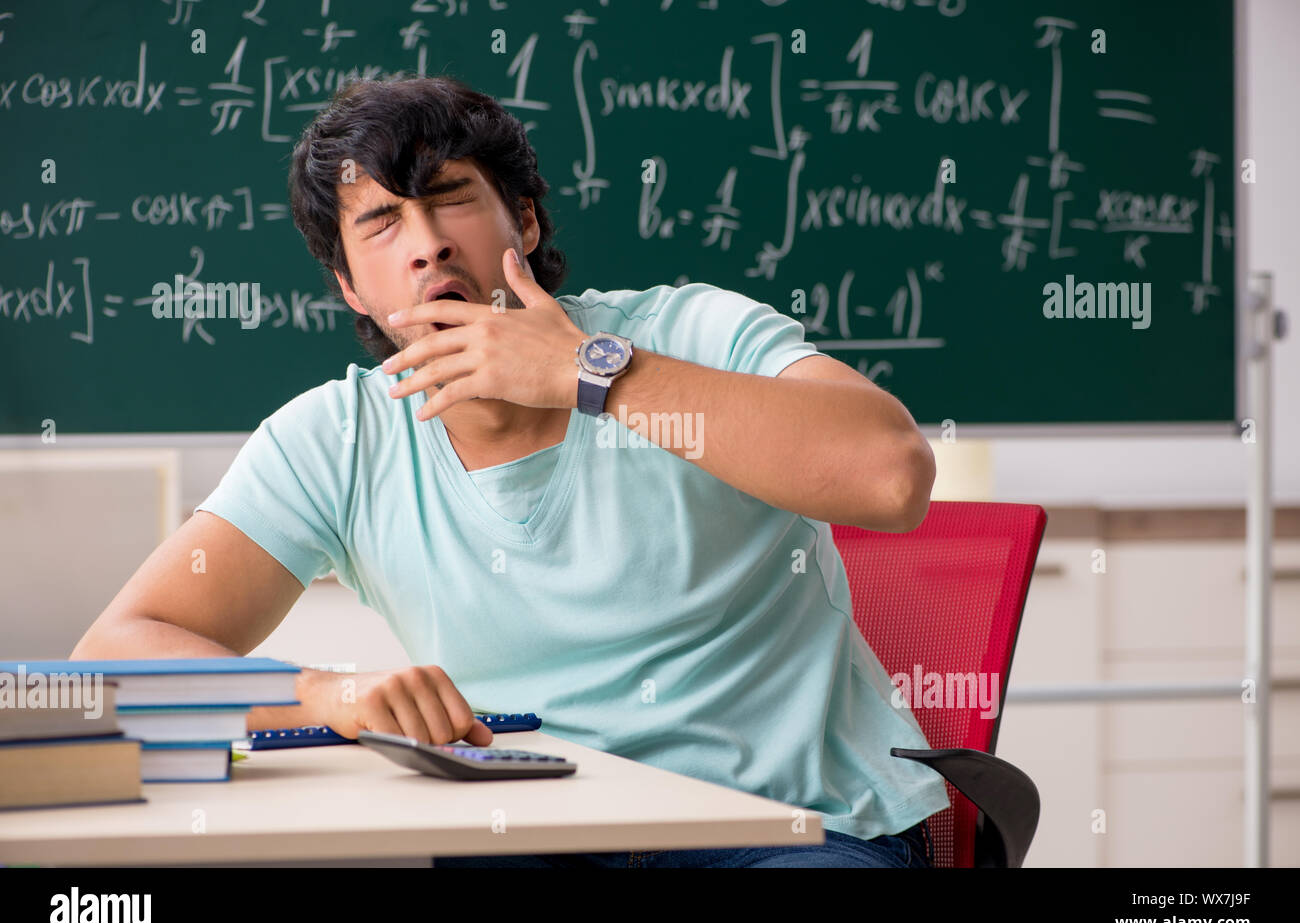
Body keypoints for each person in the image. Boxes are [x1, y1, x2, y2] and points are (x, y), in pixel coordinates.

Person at [73, 73, 948, 867]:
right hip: (532, 830)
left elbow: (892, 475)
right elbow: (116, 659)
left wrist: (593, 374)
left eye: (450, 200)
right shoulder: (337, 438)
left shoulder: (690, 332)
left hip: (793, 828)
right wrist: (324, 690)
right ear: (350, 285)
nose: (426, 248)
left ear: (523, 221)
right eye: (382, 225)